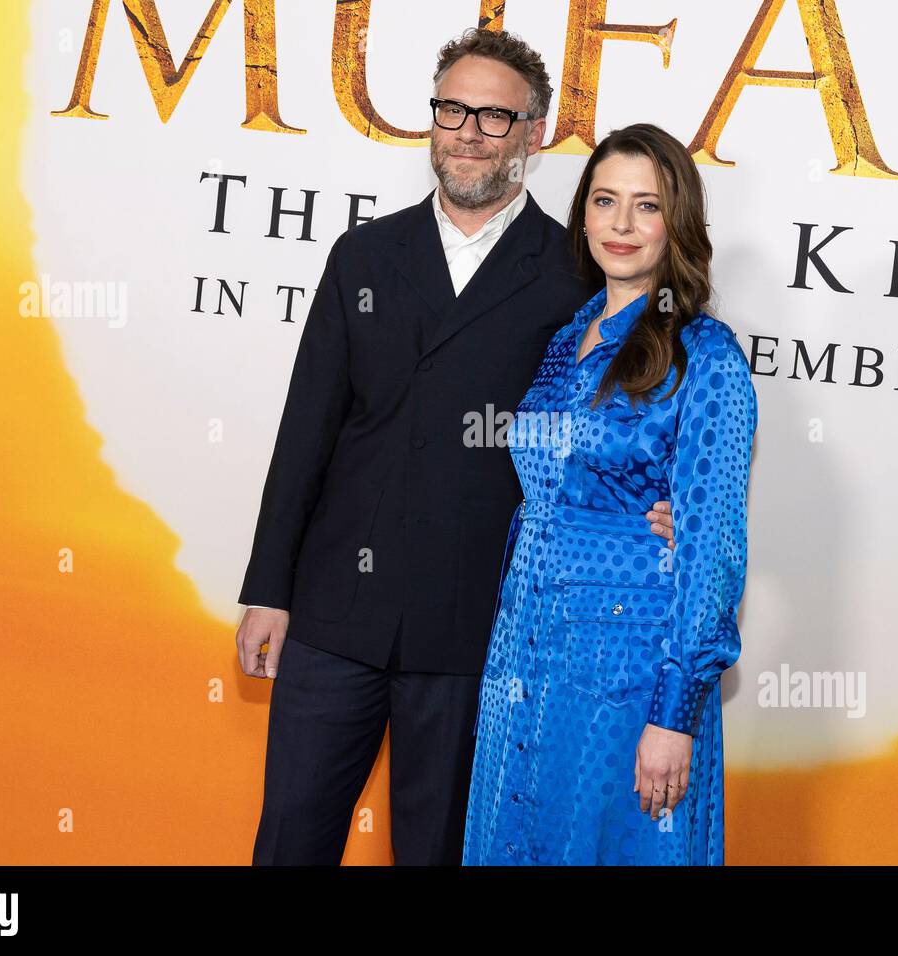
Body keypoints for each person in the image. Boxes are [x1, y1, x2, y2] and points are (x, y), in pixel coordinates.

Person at [235, 30, 675, 866]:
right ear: (431, 120)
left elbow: (626, 421)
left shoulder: (579, 275)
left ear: (533, 133)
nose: (468, 130)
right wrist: (269, 589)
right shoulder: (361, 255)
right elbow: (306, 433)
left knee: (436, 854)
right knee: (289, 843)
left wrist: (663, 510)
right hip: (332, 617)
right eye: (452, 109)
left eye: (494, 115)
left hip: (477, 632)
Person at [462, 123, 758, 865]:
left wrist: (674, 715)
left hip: (628, 671)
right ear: (583, 215)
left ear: (677, 222)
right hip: (527, 651)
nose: (622, 225)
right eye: (605, 201)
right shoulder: (564, 339)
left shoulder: (705, 353)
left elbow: (715, 549)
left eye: (647, 206)